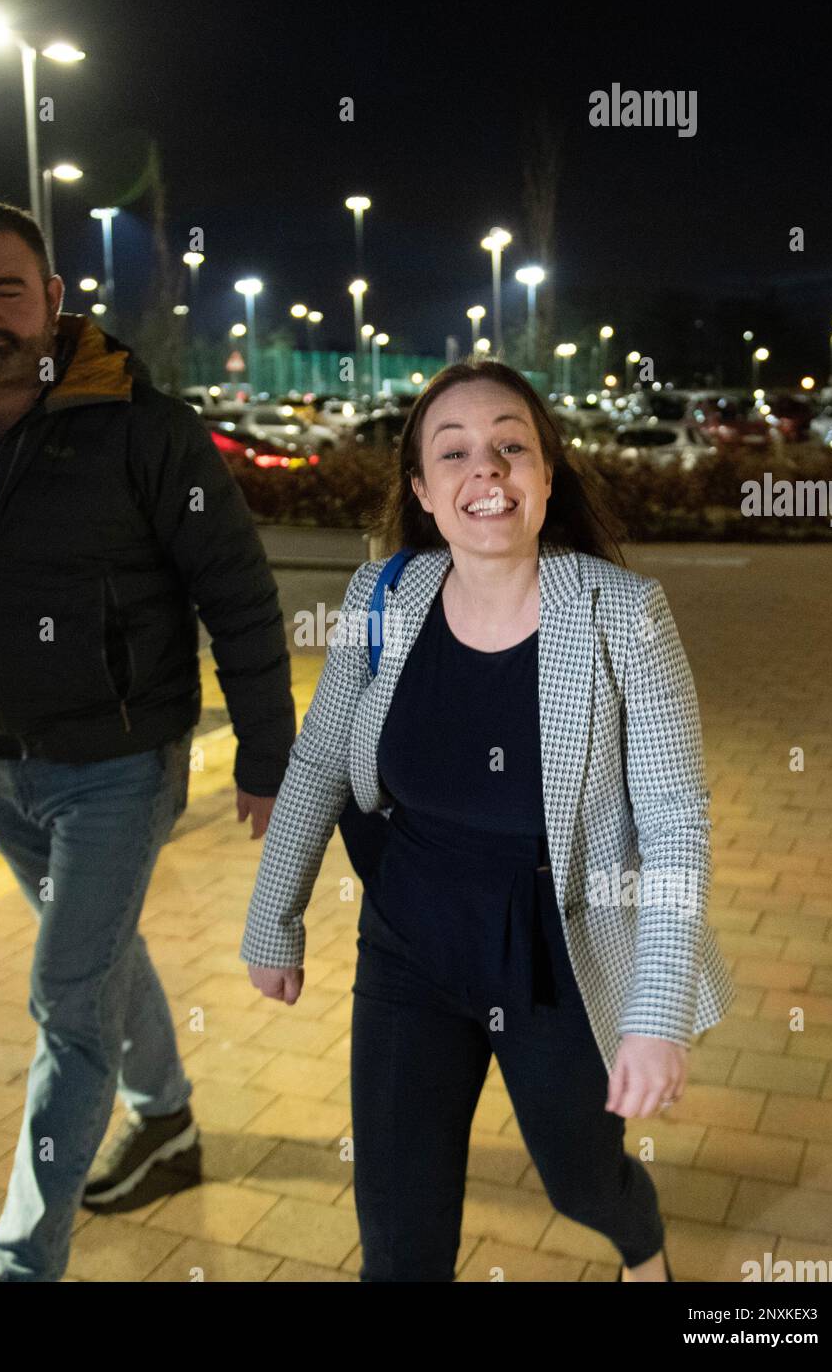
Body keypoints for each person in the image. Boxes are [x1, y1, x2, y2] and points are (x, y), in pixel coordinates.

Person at [240, 359, 737, 1282]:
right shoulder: (378, 599)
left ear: (548, 476)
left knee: (581, 1182)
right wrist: (275, 915)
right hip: (409, 941)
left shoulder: (622, 614)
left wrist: (656, 1012)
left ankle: (641, 1243)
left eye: (513, 446)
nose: (489, 471)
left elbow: (674, 820)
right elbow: (316, 761)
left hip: (556, 949)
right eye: (456, 451)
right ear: (424, 491)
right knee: (398, 1234)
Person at [0, 198, 296, 1282]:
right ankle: (164, 1118)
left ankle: (22, 1266)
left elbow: (239, 594)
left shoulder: (140, 426)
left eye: (5, 288)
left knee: (68, 1009)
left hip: (115, 764)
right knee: (100, 949)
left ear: (53, 299)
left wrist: (267, 753)